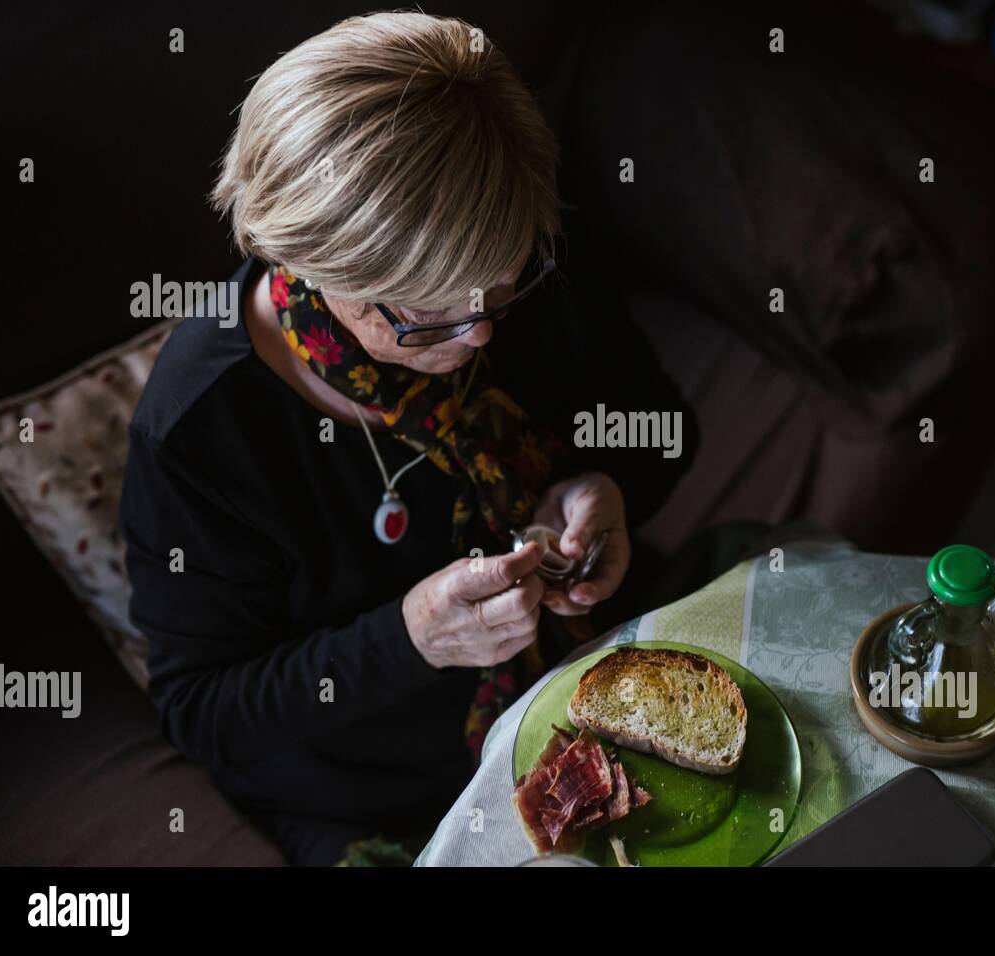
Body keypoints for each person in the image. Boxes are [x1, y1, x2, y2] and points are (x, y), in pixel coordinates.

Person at [120, 10, 693, 865]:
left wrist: (602, 487)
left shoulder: (510, 248)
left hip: (589, 669)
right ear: (314, 266)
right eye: (426, 312)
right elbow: (205, 710)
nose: (480, 336)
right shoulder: (204, 429)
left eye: (498, 290)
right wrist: (410, 638)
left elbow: (662, 422)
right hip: (378, 787)